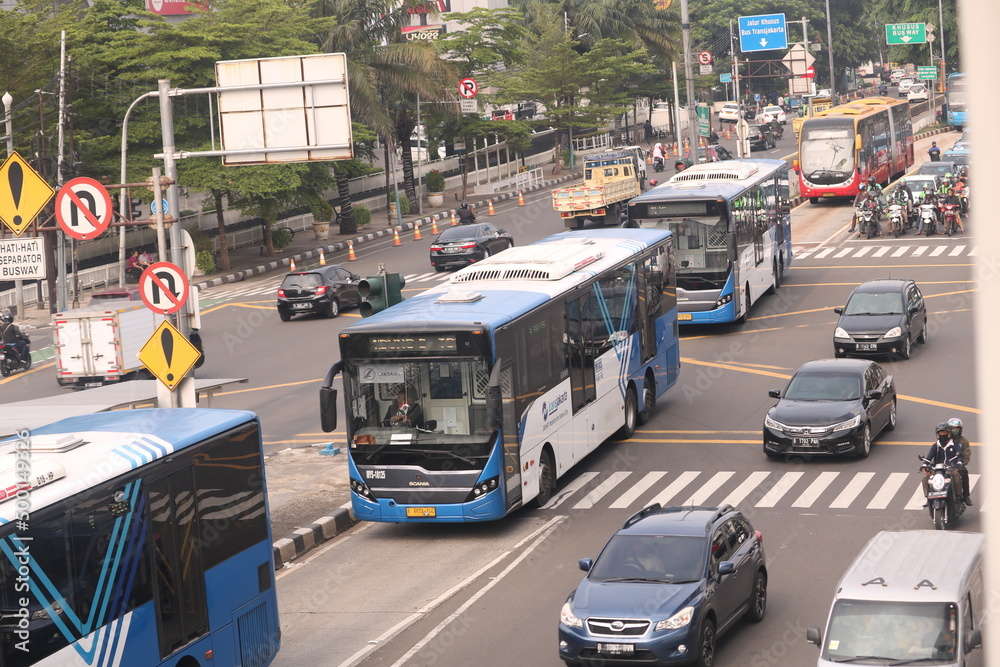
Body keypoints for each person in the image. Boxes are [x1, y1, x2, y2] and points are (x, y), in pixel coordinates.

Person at [921, 422, 964, 507]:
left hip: (950, 469)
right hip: (937, 469)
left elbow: (960, 456)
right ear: (937, 434)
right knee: (925, 479)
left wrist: (958, 463)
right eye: (941, 433)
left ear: (949, 433)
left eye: (945, 432)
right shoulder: (935, 446)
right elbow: (929, 457)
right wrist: (924, 465)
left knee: (956, 476)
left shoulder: (955, 444)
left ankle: (958, 497)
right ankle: (928, 498)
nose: (943, 434)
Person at [948, 418, 973, 506]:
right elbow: (937, 453)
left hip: (957, 465)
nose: (956, 430)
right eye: (954, 428)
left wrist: (960, 465)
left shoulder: (964, 441)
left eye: (958, 428)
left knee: (964, 472)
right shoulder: (944, 440)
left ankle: (965, 496)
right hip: (944, 466)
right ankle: (930, 498)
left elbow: (966, 456)